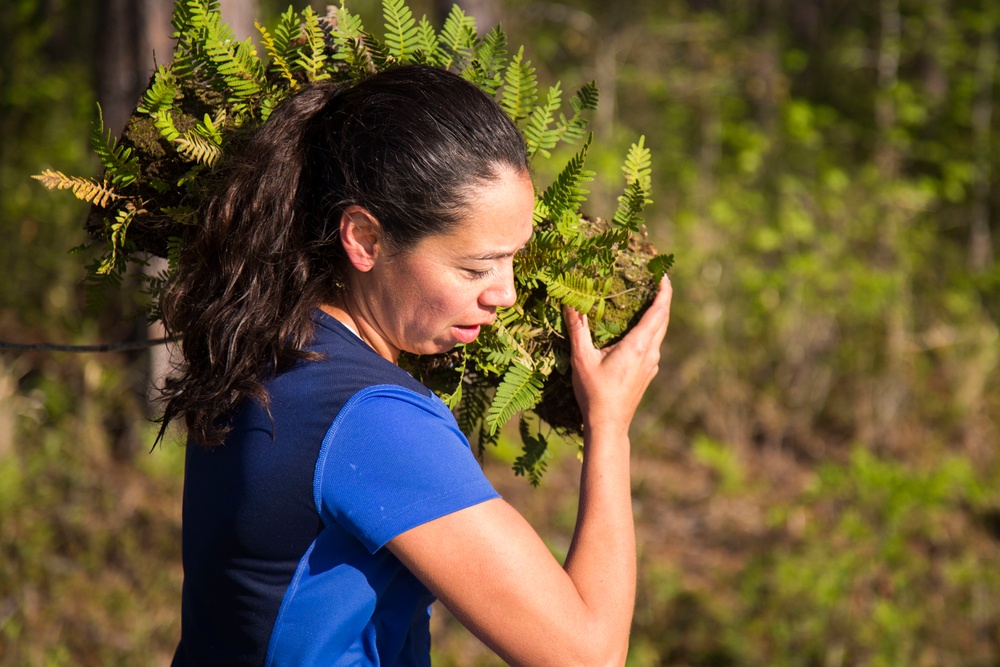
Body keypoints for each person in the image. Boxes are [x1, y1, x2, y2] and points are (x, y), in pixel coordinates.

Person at [160, 64, 673, 667]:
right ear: (365, 239)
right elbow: (586, 655)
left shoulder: (261, 344)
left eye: (513, 260)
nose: (505, 294)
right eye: (475, 268)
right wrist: (608, 425)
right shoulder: (373, 422)